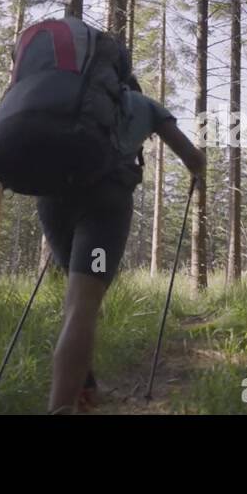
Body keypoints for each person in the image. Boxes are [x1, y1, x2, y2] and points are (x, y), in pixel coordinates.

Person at [40, 39, 205, 414]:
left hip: (51, 199)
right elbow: (191, 155)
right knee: (83, 304)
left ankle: (83, 384)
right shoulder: (143, 105)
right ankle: (61, 408)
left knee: (75, 300)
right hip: (105, 206)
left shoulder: (66, 99)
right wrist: (199, 168)